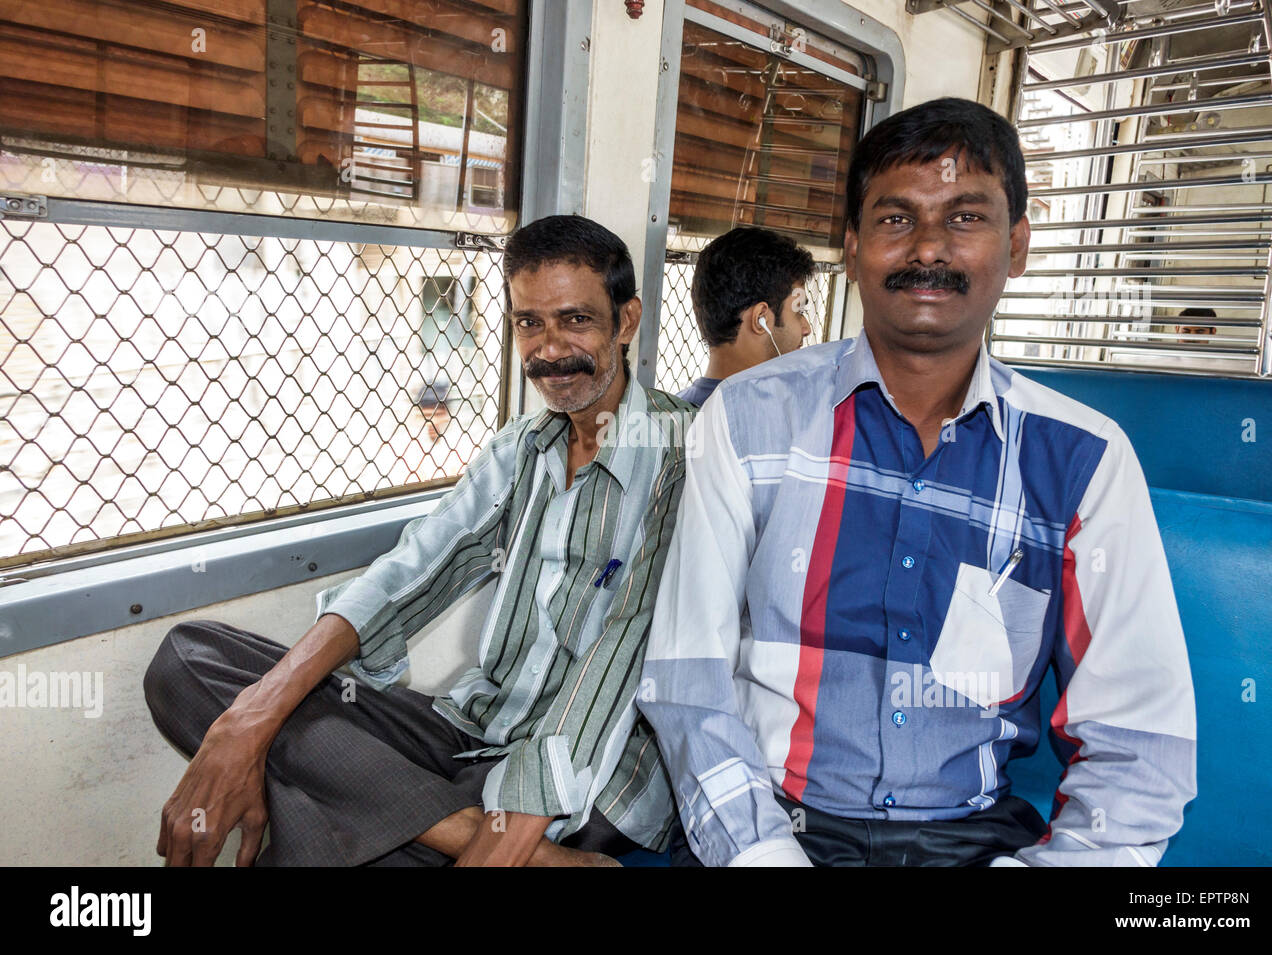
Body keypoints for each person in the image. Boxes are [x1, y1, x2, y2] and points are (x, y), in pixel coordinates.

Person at [640, 97, 1196, 867]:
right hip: (772, 822)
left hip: (973, 836)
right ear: (853, 246)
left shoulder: (1085, 462)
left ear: (1017, 244)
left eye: (965, 217)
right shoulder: (745, 419)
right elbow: (686, 679)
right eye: (896, 218)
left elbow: (1139, 745)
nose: (928, 247)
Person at [143, 214, 696, 867]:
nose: (549, 350)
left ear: (626, 321)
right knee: (187, 661)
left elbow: (622, 650)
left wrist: (509, 836)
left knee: (304, 844)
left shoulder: (684, 452)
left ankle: (413, 823)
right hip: (473, 730)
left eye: (575, 320)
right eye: (529, 323)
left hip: (591, 778)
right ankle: (492, 846)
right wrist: (249, 721)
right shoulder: (522, 448)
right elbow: (412, 570)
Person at [677, 227, 815, 407]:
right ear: (760, 319)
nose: (807, 328)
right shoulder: (774, 416)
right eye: (799, 313)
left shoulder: (671, 413)